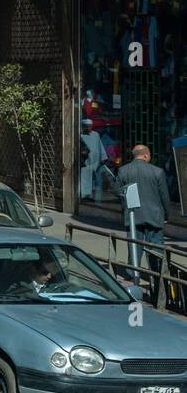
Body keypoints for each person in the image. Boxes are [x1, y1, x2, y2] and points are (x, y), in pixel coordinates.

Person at [117, 144, 174, 283]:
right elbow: (164, 196)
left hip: (133, 215)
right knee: (155, 247)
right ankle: (157, 274)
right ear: (146, 155)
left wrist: (126, 206)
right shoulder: (158, 172)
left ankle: (133, 273)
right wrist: (167, 215)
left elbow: (118, 192)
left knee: (134, 245)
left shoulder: (123, 171)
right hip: (154, 215)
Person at [79, 119, 106, 200]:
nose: (88, 128)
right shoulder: (80, 135)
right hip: (85, 161)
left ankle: (95, 196)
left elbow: (100, 146)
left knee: (97, 179)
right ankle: (85, 194)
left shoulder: (96, 134)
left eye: (90, 126)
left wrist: (103, 157)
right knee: (85, 177)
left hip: (96, 160)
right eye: (86, 127)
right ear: (83, 127)